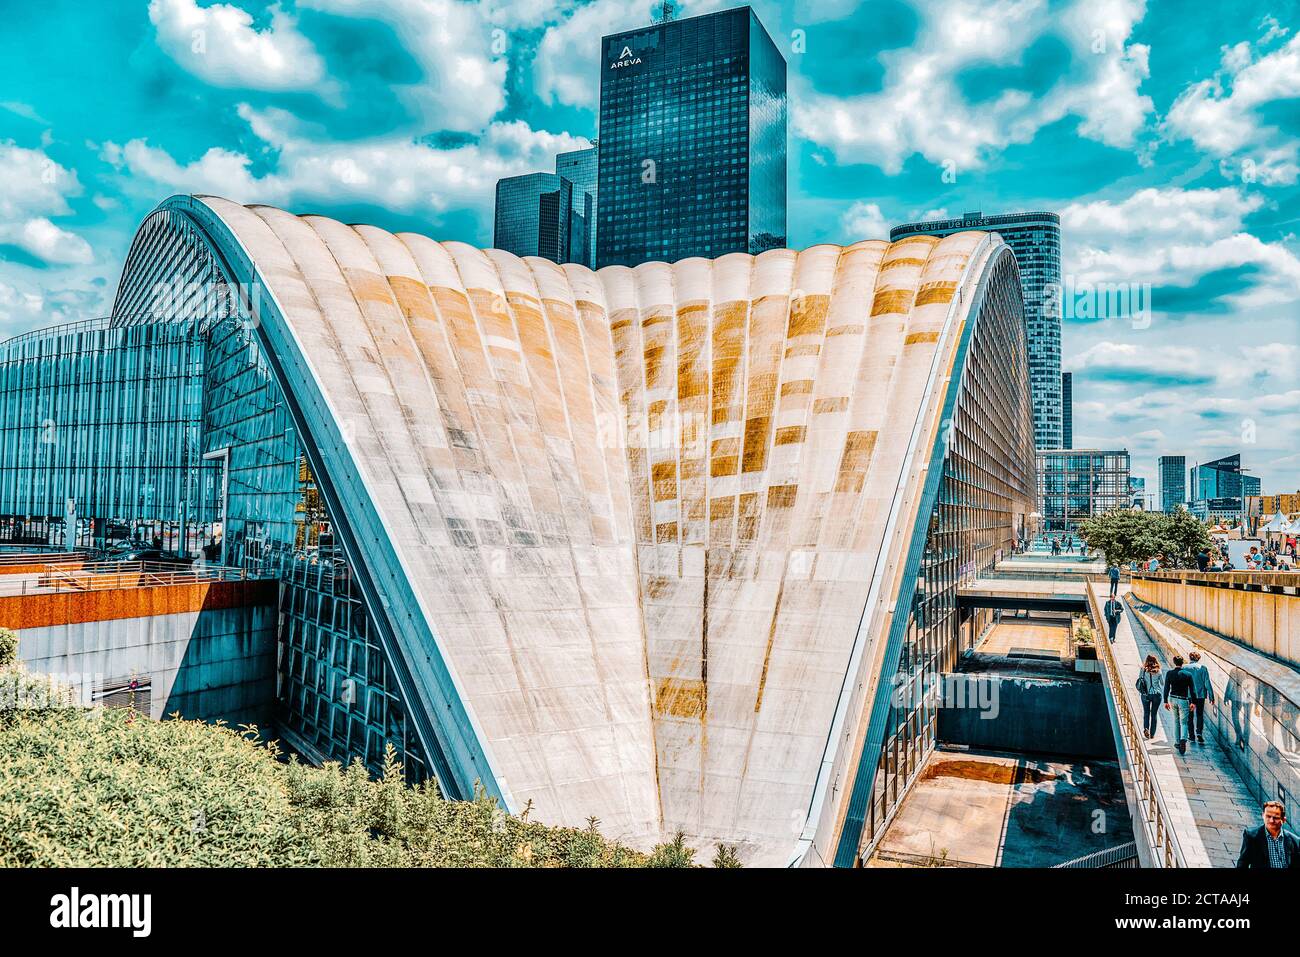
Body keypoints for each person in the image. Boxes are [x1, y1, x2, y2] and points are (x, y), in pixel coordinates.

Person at [1236, 801, 1300, 869]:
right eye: (1268, 816)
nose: (1271, 821)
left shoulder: (1295, 841)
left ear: (1283, 820)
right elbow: (1243, 862)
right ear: (1263, 815)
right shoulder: (1252, 836)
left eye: (1276, 818)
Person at [1163, 655, 1197, 755]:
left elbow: (1166, 688)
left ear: (1174, 662)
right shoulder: (1188, 674)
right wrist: (1193, 702)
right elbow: (1192, 690)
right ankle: (1183, 739)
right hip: (1183, 700)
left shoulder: (1170, 673)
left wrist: (1165, 701)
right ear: (1182, 663)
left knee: (1176, 721)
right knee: (1184, 722)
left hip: (1173, 698)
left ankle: (1177, 742)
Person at [1186, 651, 1215, 745]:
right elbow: (1207, 683)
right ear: (1198, 659)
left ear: (1190, 658)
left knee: (1190, 716)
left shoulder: (1185, 667)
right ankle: (1199, 732)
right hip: (1200, 696)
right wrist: (1211, 695)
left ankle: (1191, 736)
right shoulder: (1203, 669)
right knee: (1199, 714)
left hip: (1189, 696)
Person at [1136, 655, 1163, 740]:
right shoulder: (1158, 671)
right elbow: (1162, 683)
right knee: (1154, 714)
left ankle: (1146, 728)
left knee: (1146, 713)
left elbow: (1140, 679)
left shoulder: (1143, 670)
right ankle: (1152, 734)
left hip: (1145, 694)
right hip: (1156, 695)